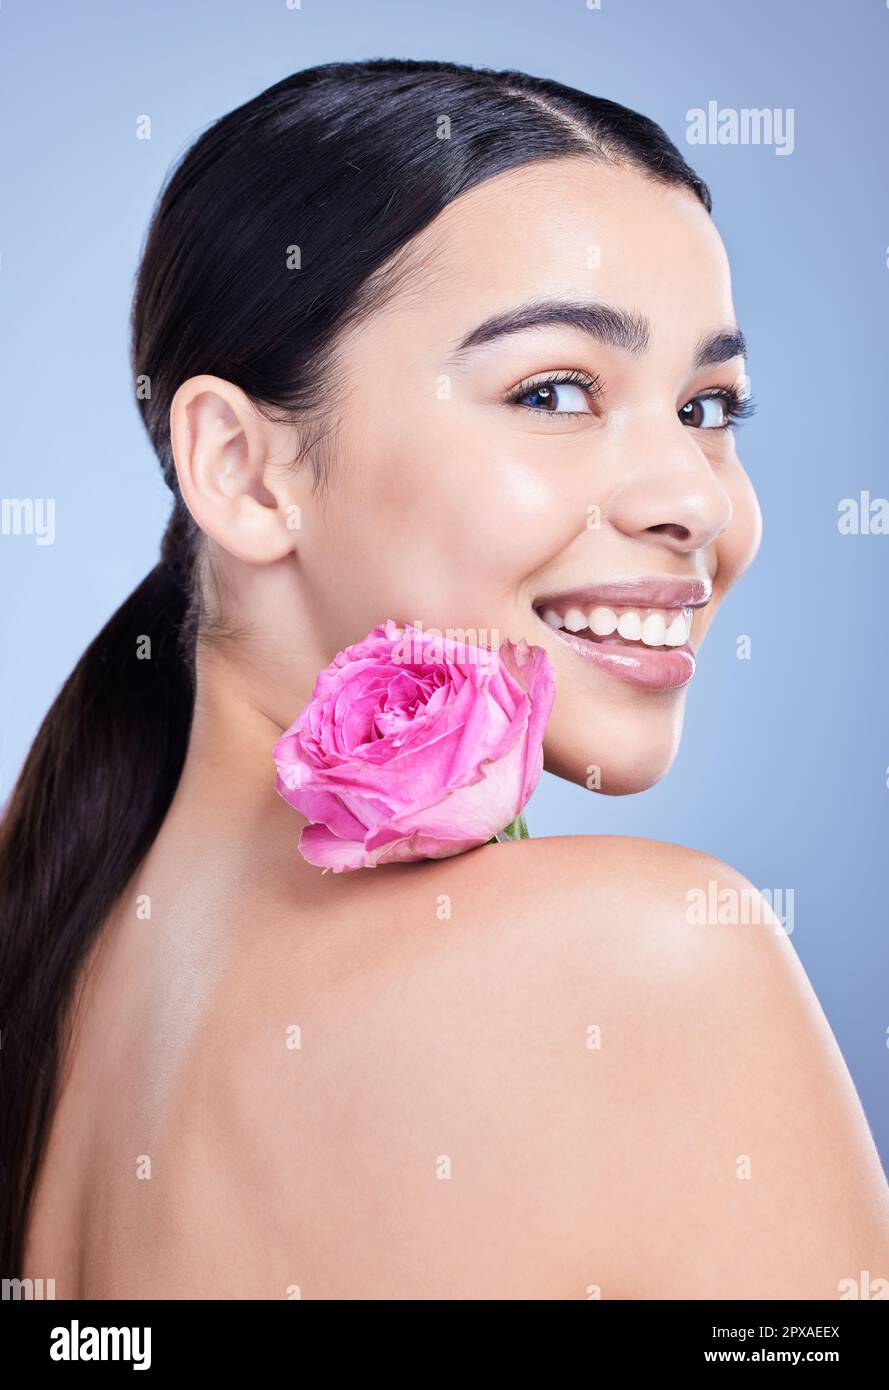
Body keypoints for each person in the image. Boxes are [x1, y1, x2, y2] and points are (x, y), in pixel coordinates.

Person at [5, 58, 889, 1299]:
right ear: (248, 471)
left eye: (707, 404)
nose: (697, 499)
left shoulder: (62, 963)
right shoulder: (651, 962)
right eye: (555, 389)